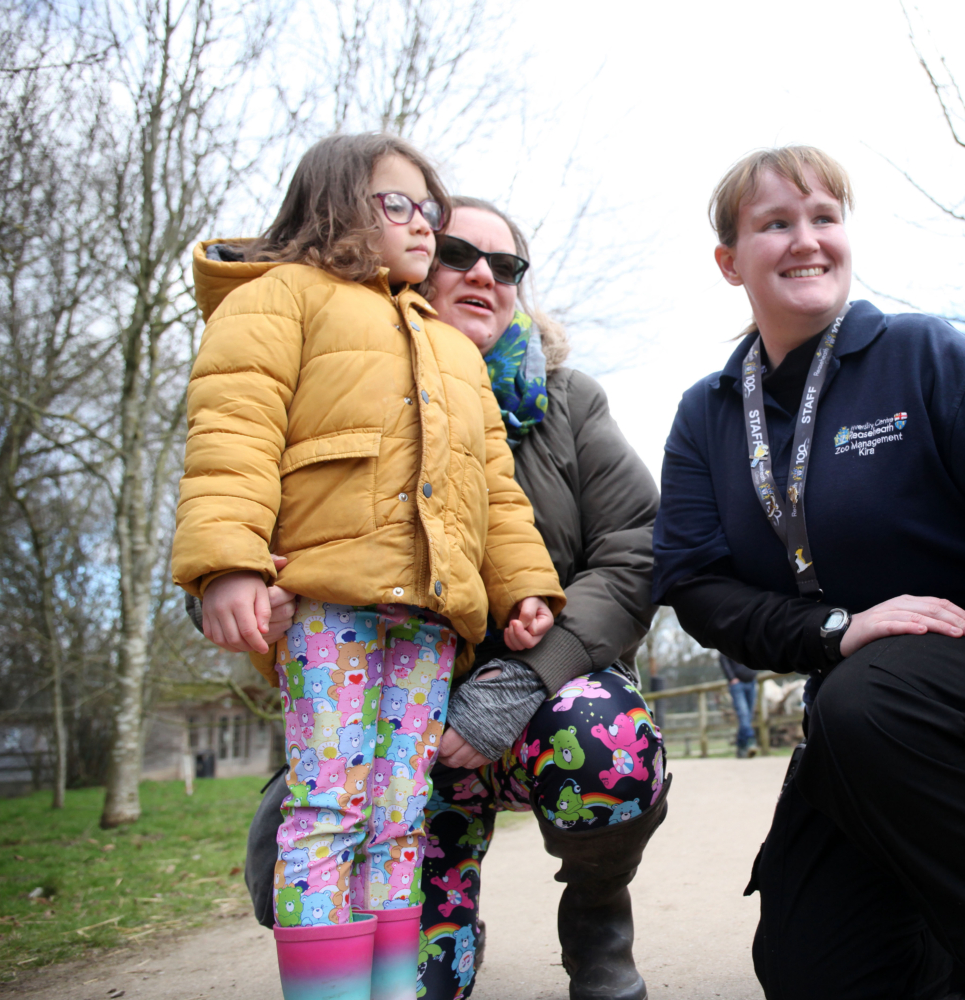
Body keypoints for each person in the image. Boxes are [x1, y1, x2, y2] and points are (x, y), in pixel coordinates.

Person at [652, 146, 965, 1000]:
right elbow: (697, 584)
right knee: (813, 969)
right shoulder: (708, 415)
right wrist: (835, 629)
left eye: (824, 218)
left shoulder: (917, 353)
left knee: (874, 700)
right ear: (730, 262)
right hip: (867, 719)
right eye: (775, 223)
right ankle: (951, 884)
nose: (807, 240)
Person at [172, 133, 565, 1000]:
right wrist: (227, 566)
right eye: (401, 206)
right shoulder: (278, 300)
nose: (424, 224)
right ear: (335, 205)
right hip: (329, 604)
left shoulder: (454, 351)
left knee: (398, 815)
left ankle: (389, 988)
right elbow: (232, 439)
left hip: (428, 620)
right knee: (328, 807)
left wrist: (525, 585)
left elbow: (492, 490)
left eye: (430, 207)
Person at [413, 197, 666, 1000]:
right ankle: (441, 926)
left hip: (548, 692)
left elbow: (636, 548)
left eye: (507, 264)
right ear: (414, 260)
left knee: (604, 745)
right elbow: (264, 545)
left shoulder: (568, 400)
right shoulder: (350, 388)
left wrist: (527, 676)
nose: (484, 274)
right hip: (399, 706)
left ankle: (597, 921)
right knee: (298, 857)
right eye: (457, 252)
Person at [718, 652, 758, 757]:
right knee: (743, 714)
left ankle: (741, 748)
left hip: (751, 681)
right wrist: (731, 678)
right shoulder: (727, 639)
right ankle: (751, 740)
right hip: (737, 684)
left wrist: (754, 673)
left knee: (748, 716)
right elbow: (723, 658)